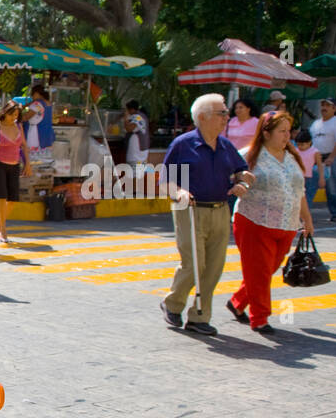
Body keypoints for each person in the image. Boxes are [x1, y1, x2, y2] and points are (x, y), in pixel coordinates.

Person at [160, 93, 254, 336]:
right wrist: (179, 192)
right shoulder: (183, 144)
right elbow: (166, 181)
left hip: (220, 210)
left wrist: (243, 182)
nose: (227, 118)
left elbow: (241, 171)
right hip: (189, 209)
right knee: (193, 264)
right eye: (221, 113)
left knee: (213, 267)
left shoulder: (225, 145)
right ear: (202, 117)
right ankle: (172, 303)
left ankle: (199, 317)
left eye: (226, 113)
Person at [226, 111, 315, 335]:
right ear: (266, 133)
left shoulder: (292, 157)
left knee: (266, 271)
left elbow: (299, 191)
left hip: (287, 225)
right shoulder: (248, 156)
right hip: (254, 222)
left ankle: (237, 302)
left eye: (289, 131)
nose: (287, 136)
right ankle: (260, 318)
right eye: (282, 132)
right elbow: (229, 179)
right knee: (259, 273)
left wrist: (308, 219)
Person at [0, 100, 30, 243]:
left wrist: (28, 164)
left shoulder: (18, 126)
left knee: (12, 199)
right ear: (5, 112)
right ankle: (3, 230)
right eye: (12, 114)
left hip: (14, 164)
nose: (14, 117)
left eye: (16, 115)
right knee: (2, 196)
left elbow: (24, 146)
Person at [310, 97, 336, 220]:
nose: (324, 108)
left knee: (332, 187)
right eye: (323, 105)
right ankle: (304, 212)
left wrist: (332, 157)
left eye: (327, 105)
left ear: (334, 108)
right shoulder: (316, 124)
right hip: (317, 158)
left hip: (332, 158)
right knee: (310, 185)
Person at [23, 84, 55, 160]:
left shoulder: (37, 104)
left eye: (32, 95)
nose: (32, 97)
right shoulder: (48, 103)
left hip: (36, 134)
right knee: (44, 158)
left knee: (33, 158)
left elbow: (26, 117)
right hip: (47, 134)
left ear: (37, 93)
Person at [294, 128, 320, 209]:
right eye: (298, 144)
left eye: (302, 144)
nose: (300, 147)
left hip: (310, 177)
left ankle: (306, 214)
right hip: (298, 177)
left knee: (308, 197)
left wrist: (321, 177)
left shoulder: (315, 152)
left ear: (309, 143)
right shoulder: (295, 151)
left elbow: (320, 166)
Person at [123, 99, 150, 166]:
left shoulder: (138, 117)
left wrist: (125, 118)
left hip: (137, 149)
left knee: (135, 170)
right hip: (141, 148)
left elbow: (129, 129)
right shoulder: (141, 115)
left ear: (131, 109)